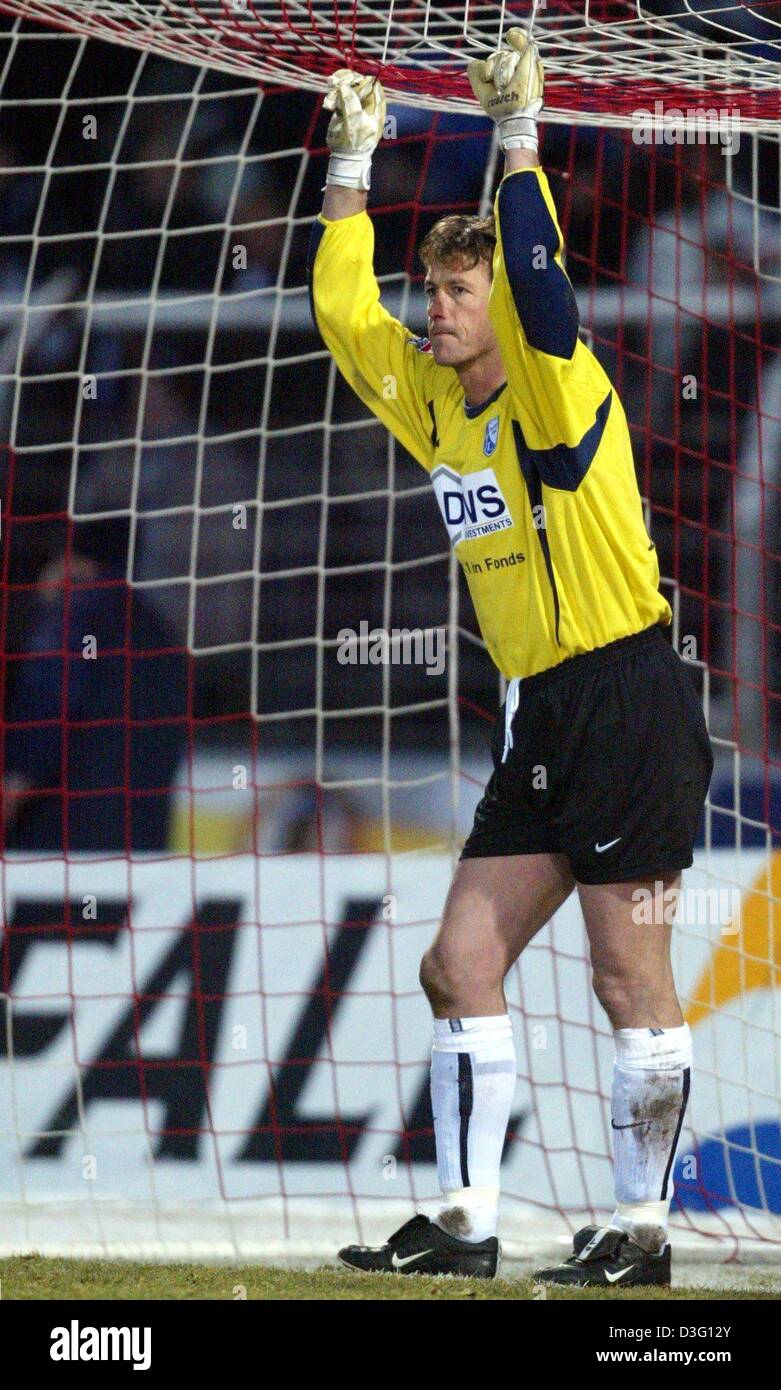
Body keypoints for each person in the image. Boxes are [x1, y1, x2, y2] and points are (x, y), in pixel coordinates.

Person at [308, 31, 713, 1286]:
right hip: (538, 713)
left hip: (629, 694)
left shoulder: (552, 375)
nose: (431, 309)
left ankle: (641, 1236)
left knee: (623, 973)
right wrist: (352, 160)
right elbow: (336, 307)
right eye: (426, 290)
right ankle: (468, 1222)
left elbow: (538, 279)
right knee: (457, 965)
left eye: (450, 293)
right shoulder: (430, 395)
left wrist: (519, 132)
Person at [3, 517, 188, 852]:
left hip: (60, 842)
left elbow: (48, 706)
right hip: (138, 848)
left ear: (71, 557)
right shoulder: (165, 638)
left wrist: (15, 782)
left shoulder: (77, 615)